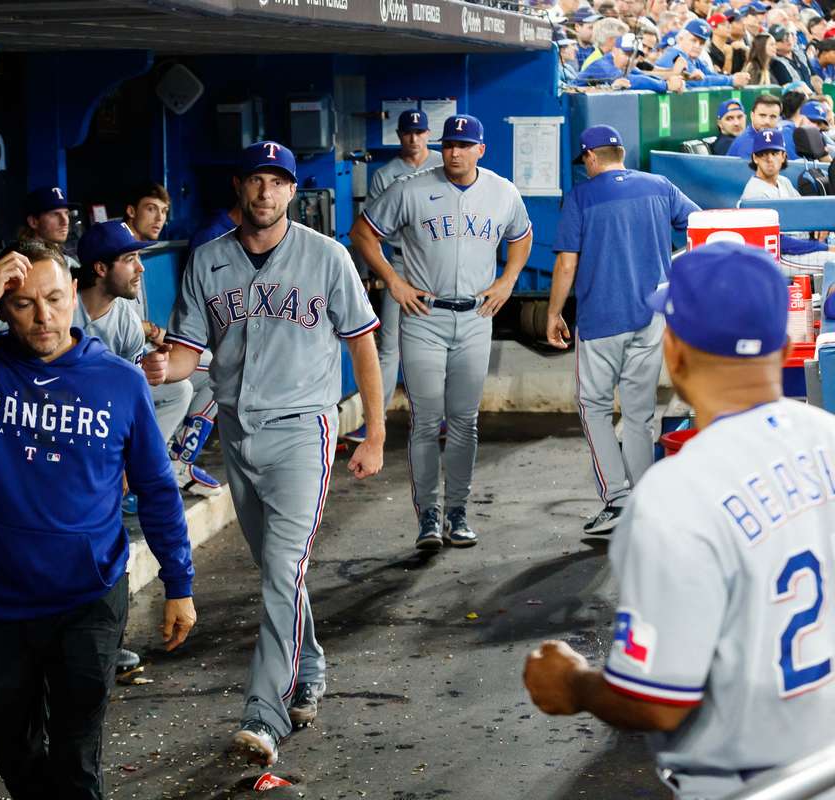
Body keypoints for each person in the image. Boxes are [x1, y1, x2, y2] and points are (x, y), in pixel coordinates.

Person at [524, 241, 835, 800]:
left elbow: (657, 702)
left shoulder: (676, 495)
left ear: (675, 351)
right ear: (787, 345)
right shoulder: (828, 438)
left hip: (748, 786)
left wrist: (572, 685)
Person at [0, 242, 197, 800]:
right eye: (23, 304)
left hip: (89, 596)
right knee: (8, 735)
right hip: (3, 599)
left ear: (74, 295)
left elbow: (156, 488)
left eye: (55, 299)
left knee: (76, 754)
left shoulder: (118, 381)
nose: (43, 317)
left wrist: (179, 583)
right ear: (3, 309)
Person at [144, 140, 385, 766]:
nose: (267, 192)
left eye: (279, 182)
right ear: (240, 186)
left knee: (282, 567)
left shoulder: (327, 256)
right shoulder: (208, 261)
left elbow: (363, 344)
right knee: (280, 570)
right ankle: (310, 668)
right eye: (257, 180)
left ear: (292, 191)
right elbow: (188, 354)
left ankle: (264, 713)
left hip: (304, 431)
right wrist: (159, 369)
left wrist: (376, 433)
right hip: (237, 433)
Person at [351, 114, 533, 551]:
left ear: (480, 150)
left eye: (464, 145)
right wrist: (394, 282)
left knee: (465, 421)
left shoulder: (503, 191)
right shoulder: (410, 188)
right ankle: (428, 515)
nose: (455, 152)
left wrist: (508, 281)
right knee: (427, 420)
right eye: (450, 144)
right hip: (424, 318)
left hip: (476, 317)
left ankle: (458, 511)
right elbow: (363, 232)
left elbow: (522, 236)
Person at [546, 126, 699, 535]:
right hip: (650, 318)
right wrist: (670, 270)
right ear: (622, 153)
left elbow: (566, 264)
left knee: (594, 407)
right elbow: (702, 226)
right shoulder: (660, 186)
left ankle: (617, 501)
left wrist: (554, 313)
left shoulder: (582, 196)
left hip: (600, 320)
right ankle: (644, 502)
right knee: (639, 414)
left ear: (591, 157)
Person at [72, 221, 223, 496]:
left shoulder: (126, 320)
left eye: (138, 257)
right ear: (101, 268)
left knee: (186, 385)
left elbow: (127, 398)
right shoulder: (61, 306)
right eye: (130, 259)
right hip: (60, 403)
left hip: (102, 396)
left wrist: (126, 461)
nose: (141, 268)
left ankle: (153, 467)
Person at [345, 108, 443, 444]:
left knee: (437, 345)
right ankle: (374, 423)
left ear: (428, 134)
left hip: (440, 265)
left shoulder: (443, 165)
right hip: (401, 264)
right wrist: (385, 274)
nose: (414, 138)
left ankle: (438, 419)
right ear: (399, 135)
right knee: (389, 347)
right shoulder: (386, 175)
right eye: (408, 133)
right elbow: (371, 231)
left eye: (419, 132)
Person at [739, 129, 835, 256]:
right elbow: (777, 242)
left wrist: (819, 224)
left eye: (774, 153)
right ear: (755, 158)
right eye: (763, 154)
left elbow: (805, 212)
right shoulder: (754, 194)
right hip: (779, 254)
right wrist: (822, 247)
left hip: (801, 245)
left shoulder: (783, 181)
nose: (769, 159)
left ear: (783, 156)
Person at [656, 18, 752, 86]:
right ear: (681, 38)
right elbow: (697, 82)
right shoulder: (674, 54)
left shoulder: (695, 59)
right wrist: (731, 80)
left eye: (701, 43)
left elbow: (710, 75)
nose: (697, 46)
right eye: (693, 40)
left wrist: (734, 77)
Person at [576, 32, 688, 91]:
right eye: (626, 54)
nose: (630, 60)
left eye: (634, 56)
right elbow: (632, 81)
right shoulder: (603, 65)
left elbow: (644, 75)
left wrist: (673, 81)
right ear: (614, 50)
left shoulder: (627, 67)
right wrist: (666, 85)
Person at [19, 185, 78, 268]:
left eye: (66, 213)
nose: (65, 221)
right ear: (33, 222)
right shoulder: (20, 261)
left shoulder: (67, 261)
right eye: (55, 214)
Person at [726, 93, 799, 159]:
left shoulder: (787, 132)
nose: (767, 121)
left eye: (773, 117)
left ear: (779, 119)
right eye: (762, 115)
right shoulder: (743, 144)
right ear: (752, 116)